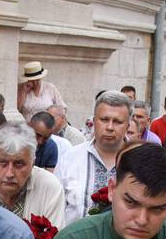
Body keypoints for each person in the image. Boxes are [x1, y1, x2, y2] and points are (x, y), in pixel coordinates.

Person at [57, 91, 132, 223]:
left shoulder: (141, 160)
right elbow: (57, 208)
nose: (109, 127)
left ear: (128, 126)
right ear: (93, 121)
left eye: (117, 122)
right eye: (104, 120)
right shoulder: (70, 158)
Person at [0, 124, 66, 227]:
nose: (9, 174)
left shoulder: (49, 186)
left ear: (32, 163)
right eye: (3, 163)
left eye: (18, 164)